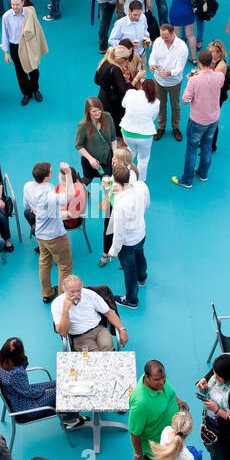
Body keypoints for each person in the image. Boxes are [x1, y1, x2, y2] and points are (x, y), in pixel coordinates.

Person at [128, 360, 188, 460]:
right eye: (157, 380)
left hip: (167, 439)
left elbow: (170, 394)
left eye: (164, 378)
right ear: (147, 378)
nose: (162, 382)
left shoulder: (161, 381)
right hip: (152, 447)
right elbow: (135, 432)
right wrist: (139, 453)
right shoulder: (141, 403)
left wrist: (179, 401)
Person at [171, 48, 223, 188]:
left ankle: (187, 180)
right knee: (207, 146)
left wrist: (189, 81)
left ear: (198, 62)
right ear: (212, 62)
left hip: (197, 121)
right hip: (213, 119)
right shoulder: (219, 77)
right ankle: (203, 174)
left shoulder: (194, 81)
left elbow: (185, 100)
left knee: (191, 149)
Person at [24, 161, 74, 302]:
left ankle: (46, 293)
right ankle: (62, 298)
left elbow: (27, 206)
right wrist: (68, 173)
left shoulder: (28, 186)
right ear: (46, 177)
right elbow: (69, 196)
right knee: (65, 266)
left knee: (44, 262)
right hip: (55, 235)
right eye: (51, 171)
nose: (53, 172)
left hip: (40, 234)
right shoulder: (49, 194)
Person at [106, 163, 149, 309]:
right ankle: (142, 278)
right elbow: (147, 204)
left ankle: (131, 300)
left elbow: (119, 232)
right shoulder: (142, 187)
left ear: (116, 181)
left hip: (127, 243)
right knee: (140, 255)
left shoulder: (120, 204)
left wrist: (113, 250)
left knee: (129, 271)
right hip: (141, 233)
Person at [52, 274, 128, 352]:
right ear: (65, 291)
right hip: (80, 337)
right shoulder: (57, 304)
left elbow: (109, 312)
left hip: (99, 330)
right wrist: (65, 310)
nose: (76, 294)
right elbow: (63, 333)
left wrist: (122, 329)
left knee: (108, 349)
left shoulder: (90, 294)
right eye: (72, 292)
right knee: (94, 357)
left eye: (78, 291)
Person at [0, 336, 59, 423]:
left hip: (19, 395)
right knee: (62, 391)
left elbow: (25, 388)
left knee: (57, 383)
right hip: (29, 406)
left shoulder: (1, 362)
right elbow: (29, 392)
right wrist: (44, 391)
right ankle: (71, 419)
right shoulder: (15, 373)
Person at [2, 0, 47, 104]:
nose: (14, 7)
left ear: (22, 2)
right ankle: (27, 93)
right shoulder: (6, 17)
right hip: (15, 47)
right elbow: (5, 34)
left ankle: (35, 89)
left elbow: (37, 29)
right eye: (12, 4)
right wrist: (5, 52)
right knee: (20, 72)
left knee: (34, 70)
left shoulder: (30, 13)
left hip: (28, 45)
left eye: (17, 4)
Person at [148, 23, 188, 141]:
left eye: (166, 37)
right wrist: (152, 65)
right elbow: (152, 57)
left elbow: (180, 68)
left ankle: (175, 128)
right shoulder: (158, 41)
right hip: (159, 80)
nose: (163, 39)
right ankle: (161, 127)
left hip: (174, 82)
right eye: (162, 36)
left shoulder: (182, 47)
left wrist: (170, 73)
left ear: (172, 34)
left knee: (175, 105)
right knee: (160, 104)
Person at [120, 78, 160, 182]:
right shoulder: (156, 102)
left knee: (131, 150)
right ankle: (140, 182)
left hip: (127, 133)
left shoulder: (130, 93)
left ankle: (123, 173)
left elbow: (123, 105)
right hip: (145, 136)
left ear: (141, 86)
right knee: (143, 160)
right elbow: (153, 118)